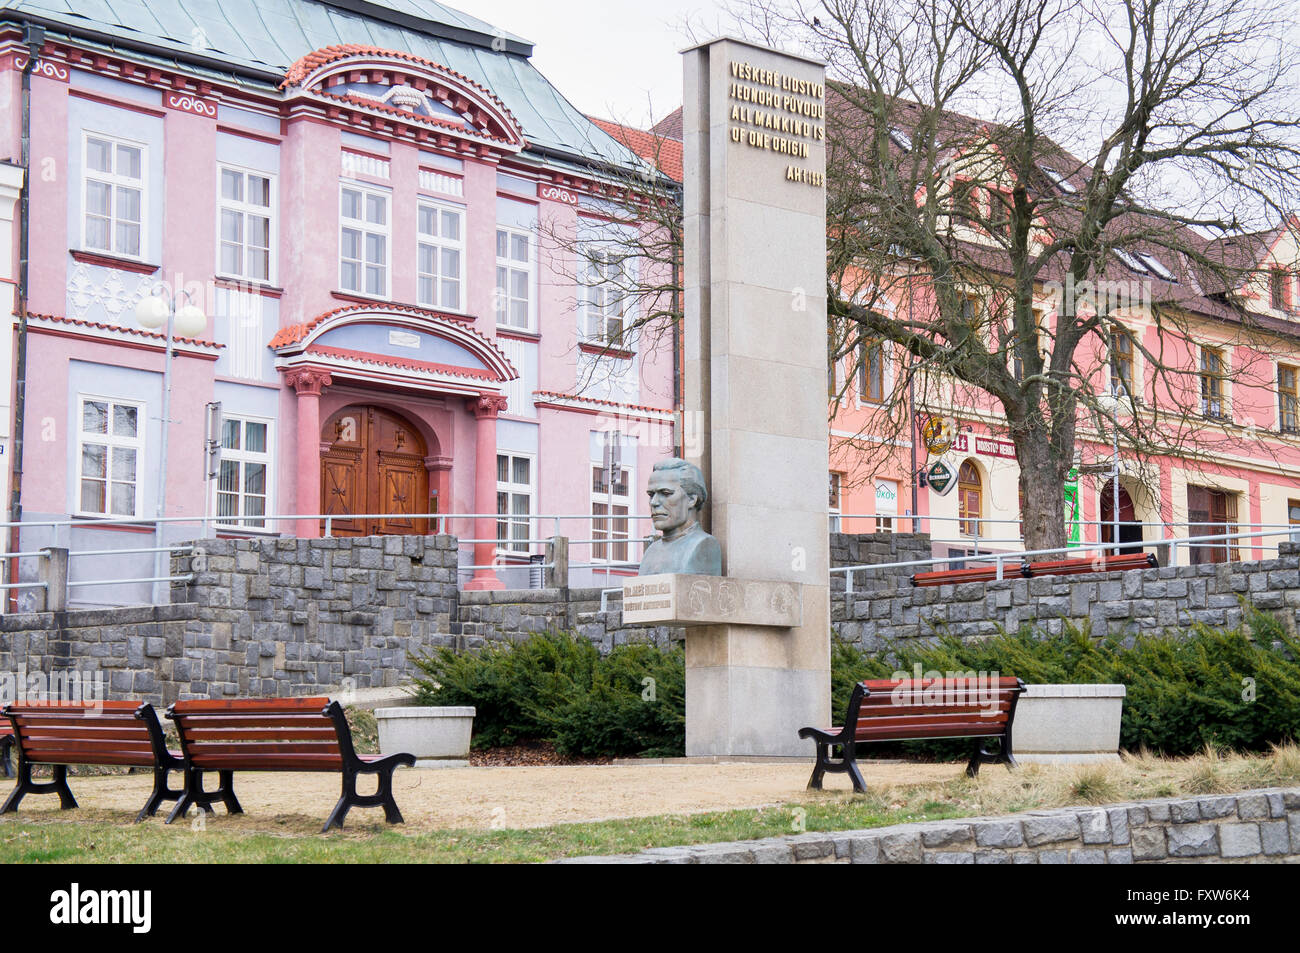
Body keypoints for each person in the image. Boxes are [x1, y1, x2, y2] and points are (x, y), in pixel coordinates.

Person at [638, 458, 722, 576]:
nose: (654, 502)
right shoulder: (651, 552)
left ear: (692, 499)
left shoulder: (704, 545)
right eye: (651, 495)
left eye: (666, 493)